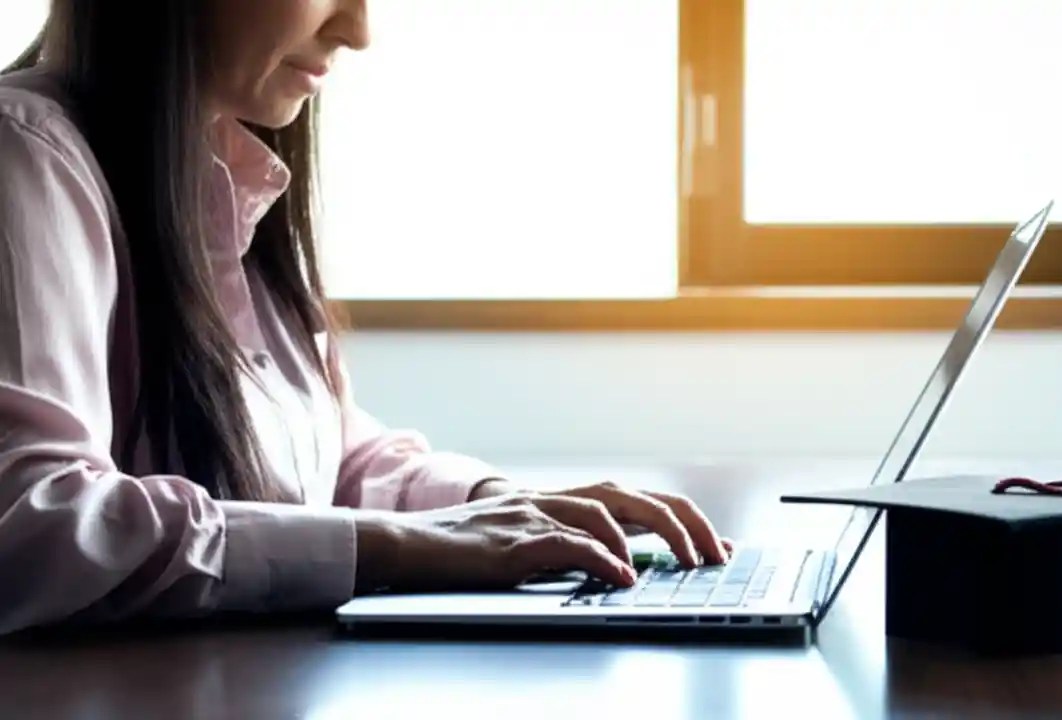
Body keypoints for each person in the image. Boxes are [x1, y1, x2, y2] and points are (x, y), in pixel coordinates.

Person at [0, 0, 728, 637]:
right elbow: (37, 524)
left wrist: (496, 505)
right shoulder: (25, 156)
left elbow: (330, 459)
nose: (359, 29)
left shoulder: (220, 168)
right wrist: (402, 544)